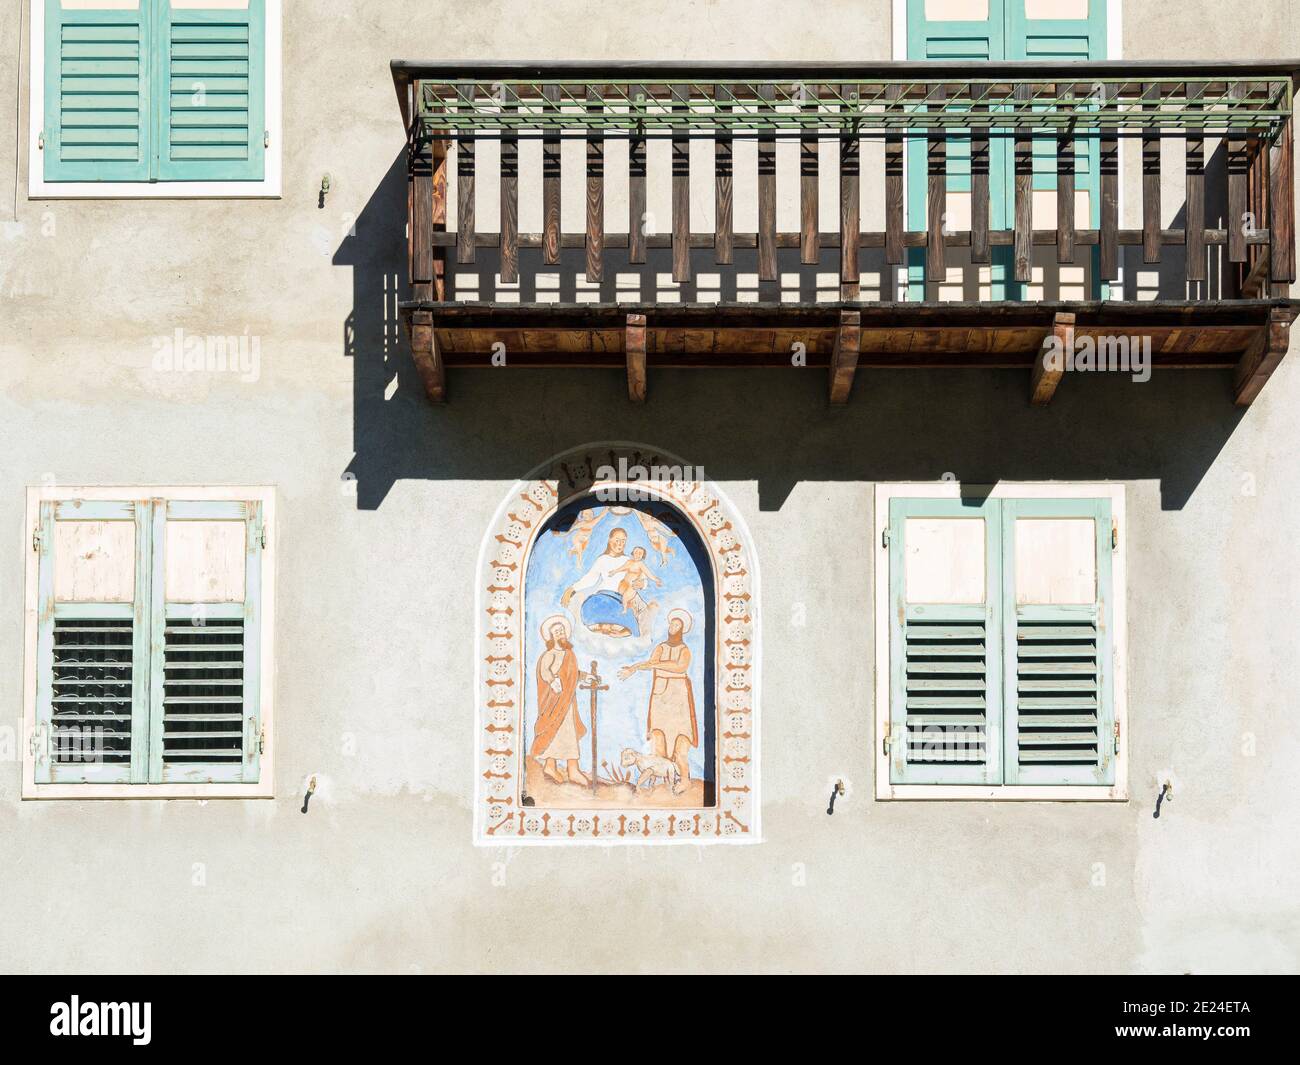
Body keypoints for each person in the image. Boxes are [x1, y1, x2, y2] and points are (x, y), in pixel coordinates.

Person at [618, 609, 697, 788]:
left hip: (679, 696)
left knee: (681, 739)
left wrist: (657, 665)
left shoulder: (685, 650)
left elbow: (680, 667)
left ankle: (684, 780)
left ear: (682, 629)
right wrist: (634, 668)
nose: (672, 627)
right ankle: (660, 782)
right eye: (671, 623)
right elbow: (650, 663)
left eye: (677, 625)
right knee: (658, 737)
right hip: (660, 696)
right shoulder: (661, 647)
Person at [530, 615, 591, 787]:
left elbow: (572, 674)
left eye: (562, 630)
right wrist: (552, 680)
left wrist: (587, 676)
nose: (561, 633)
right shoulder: (549, 654)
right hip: (554, 702)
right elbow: (544, 672)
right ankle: (552, 766)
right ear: (551, 636)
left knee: (569, 733)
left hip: (567, 702)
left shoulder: (569, 654)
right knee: (554, 732)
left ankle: (572, 770)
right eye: (557, 631)